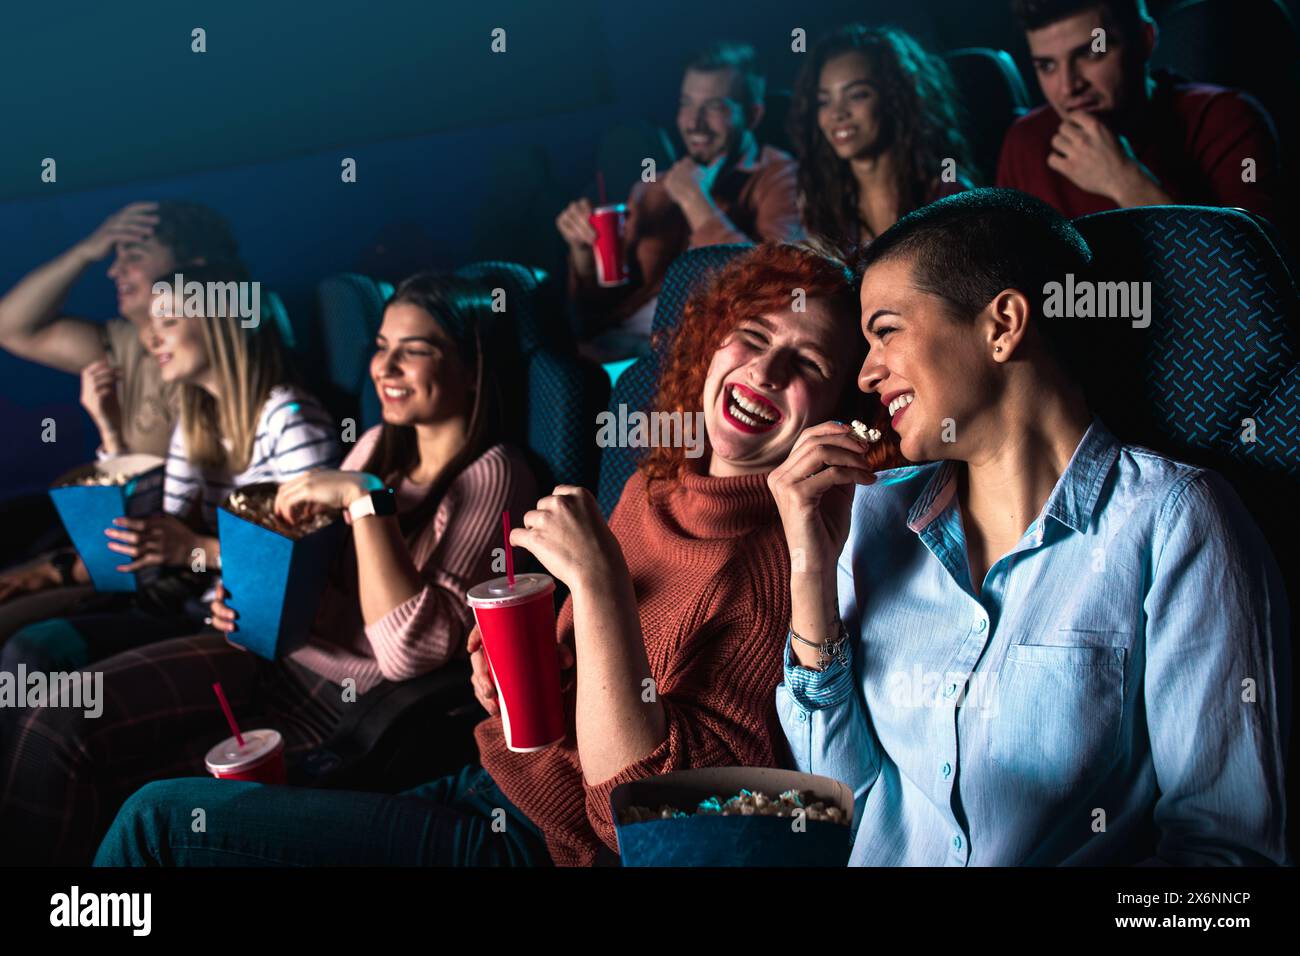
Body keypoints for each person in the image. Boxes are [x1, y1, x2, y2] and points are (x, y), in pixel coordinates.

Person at [93, 242, 903, 868]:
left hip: (541, 846)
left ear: (840, 409)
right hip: (492, 779)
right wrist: (513, 674)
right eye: (751, 337)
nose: (762, 370)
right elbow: (569, 677)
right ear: (710, 343)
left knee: (157, 823)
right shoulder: (657, 482)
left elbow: (642, 827)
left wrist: (596, 585)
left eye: (807, 367)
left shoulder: (790, 562)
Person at [767, 188, 1290, 865]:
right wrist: (810, 577)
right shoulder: (867, 515)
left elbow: (1225, 857)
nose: (867, 374)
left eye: (887, 329)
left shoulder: (1175, 521)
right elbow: (840, 809)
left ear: (1003, 324)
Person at [0, 272, 539, 865]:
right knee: (61, 722)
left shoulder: (493, 472)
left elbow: (403, 653)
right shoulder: (381, 444)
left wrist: (365, 499)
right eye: (382, 347)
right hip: (271, 652)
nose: (385, 368)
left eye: (414, 351)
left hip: (348, 705)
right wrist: (248, 596)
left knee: (128, 793)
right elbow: (315, 575)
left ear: (473, 367)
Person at [0, 262, 341, 672]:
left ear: (224, 324)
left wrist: (194, 549)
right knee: (34, 647)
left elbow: (311, 565)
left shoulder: (292, 420)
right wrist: (109, 432)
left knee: (35, 657)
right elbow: (159, 530)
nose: (152, 338)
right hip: (180, 599)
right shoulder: (197, 417)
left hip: (239, 625)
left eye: (171, 321)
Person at [0, 201, 243, 623]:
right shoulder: (126, 341)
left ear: (196, 273)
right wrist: (86, 251)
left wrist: (60, 569)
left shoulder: (233, 365)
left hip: (169, 558)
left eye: (133, 257)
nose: (114, 271)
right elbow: (12, 327)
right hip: (124, 533)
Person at [556, 42, 804, 362]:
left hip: (714, 350)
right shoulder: (654, 186)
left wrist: (696, 202)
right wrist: (583, 255)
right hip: (624, 347)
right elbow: (600, 307)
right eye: (687, 104)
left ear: (753, 116)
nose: (694, 122)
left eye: (715, 107)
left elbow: (777, 287)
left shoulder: (782, 178)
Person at [996, 0, 1283, 225]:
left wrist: (1124, 181)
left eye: (1091, 53)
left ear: (1145, 39)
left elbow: (1245, 280)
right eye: (1047, 66)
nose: (1069, 86)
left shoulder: (1227, 119)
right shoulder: (1025, 141)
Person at [789, 24, 974, 251]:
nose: (837, 113)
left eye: (857, 95)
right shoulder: (822, 203)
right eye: (824, 101)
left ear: (895, 98)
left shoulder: (947, 196)